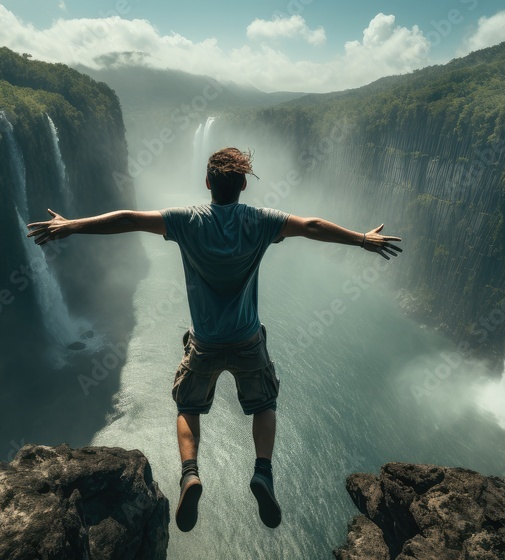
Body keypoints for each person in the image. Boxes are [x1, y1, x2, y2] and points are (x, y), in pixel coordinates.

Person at [27, 147, 402, 532]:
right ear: (242, 185)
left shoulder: (186, 220)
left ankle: (190, 474)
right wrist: (361, 239)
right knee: (264, 403)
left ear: (208, 183)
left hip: (204, 341)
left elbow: (129, 219)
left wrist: (72, 225)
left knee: (188, 407)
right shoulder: (260, 221)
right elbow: (311, 225)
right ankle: (262, 473)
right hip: (247, 340)